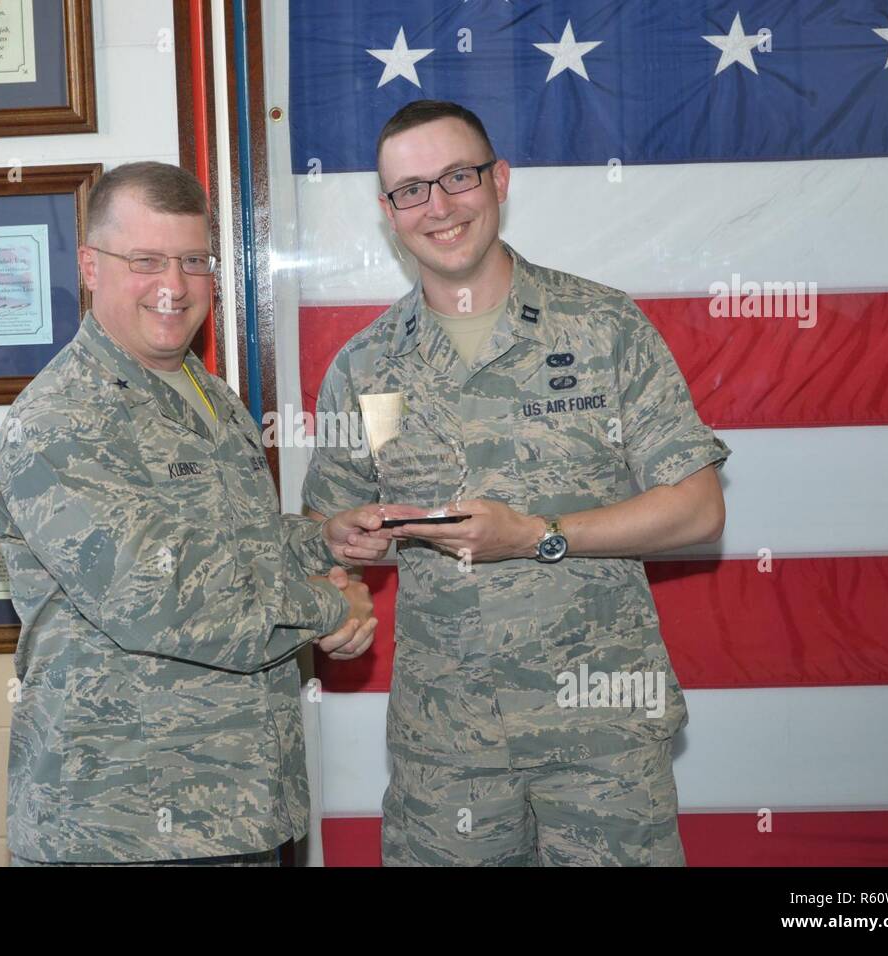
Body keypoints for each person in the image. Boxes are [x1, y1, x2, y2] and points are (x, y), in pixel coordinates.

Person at [303, 100, 731, 866]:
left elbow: (698, 510)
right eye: (411, 190)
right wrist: (340, 573)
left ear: (498, 179)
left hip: (600, 739)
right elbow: (331, 528)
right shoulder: (365, 368)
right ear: (388, 212)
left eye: (457, 177)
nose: (438, 206)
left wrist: (538, 536)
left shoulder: (604, 328)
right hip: (447, 752)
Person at [0, 161, 390, 865]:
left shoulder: (202, 391)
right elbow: (161, 593)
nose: (173, 286)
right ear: (90, 265)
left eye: (194, 261)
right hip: (124, 824)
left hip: (241, 808)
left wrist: (317, 539)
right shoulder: (62, 420)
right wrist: (329, 610)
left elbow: (231, 545)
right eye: (144, 261)